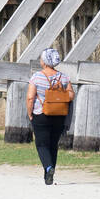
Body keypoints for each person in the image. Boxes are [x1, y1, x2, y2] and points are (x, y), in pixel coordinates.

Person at [25, 48, 73, 185]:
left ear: (45, 62)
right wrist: (59, 93)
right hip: (59, 115)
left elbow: (30, 98)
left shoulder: (37, 77)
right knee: (53, 145)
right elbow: (71, 96)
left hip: (41, 114)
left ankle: (49, 167)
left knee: (41, 144)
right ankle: (48, 176)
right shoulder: (63, 77)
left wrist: (30, 113)